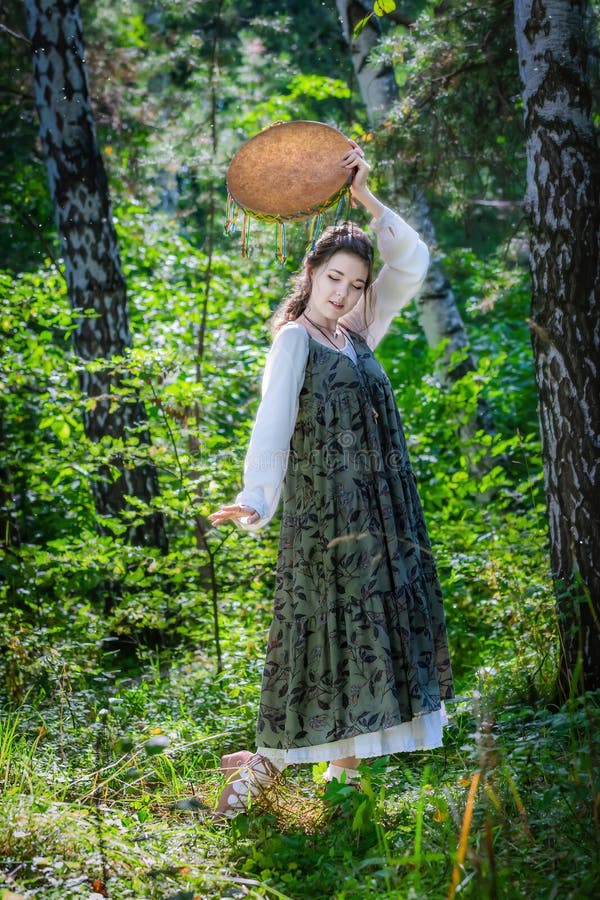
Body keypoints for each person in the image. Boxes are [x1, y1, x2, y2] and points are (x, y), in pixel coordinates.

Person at [208, 142, 454, 818]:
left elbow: (412, 260)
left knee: (365, 641)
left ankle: (339, 785)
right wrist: (255, 497)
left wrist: (366, 197)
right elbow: (273, 424)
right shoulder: (296, 338)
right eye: (334, 278)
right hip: (324, 517)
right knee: (319, 640)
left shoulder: (358, 329)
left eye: (356, 284)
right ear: (311, 271)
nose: (343, 293)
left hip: (379, 511)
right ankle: (258, 772)